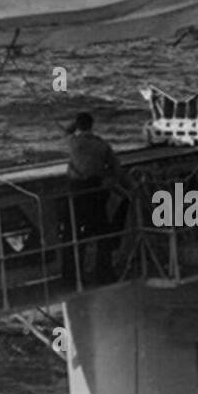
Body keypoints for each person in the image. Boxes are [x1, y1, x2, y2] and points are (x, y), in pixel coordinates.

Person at [66, 112, 121, 282]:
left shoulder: (72, 142)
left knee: (75, 236)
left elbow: (67, 132)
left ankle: (72, 276)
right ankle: (104, 272)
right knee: (103, 234)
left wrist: (73, 127)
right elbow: (116, 166)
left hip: (77, 195)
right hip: (96, 194)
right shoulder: (101, 145)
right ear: (92, 125)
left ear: (78, 126)